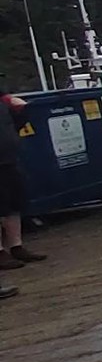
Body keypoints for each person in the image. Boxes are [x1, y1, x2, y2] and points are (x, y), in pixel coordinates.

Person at [0, 86, 41, 297]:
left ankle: (17, 247)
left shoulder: (3, 100)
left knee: (14, 203)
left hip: (8, 158)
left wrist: (19, 109)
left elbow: (18, 120)